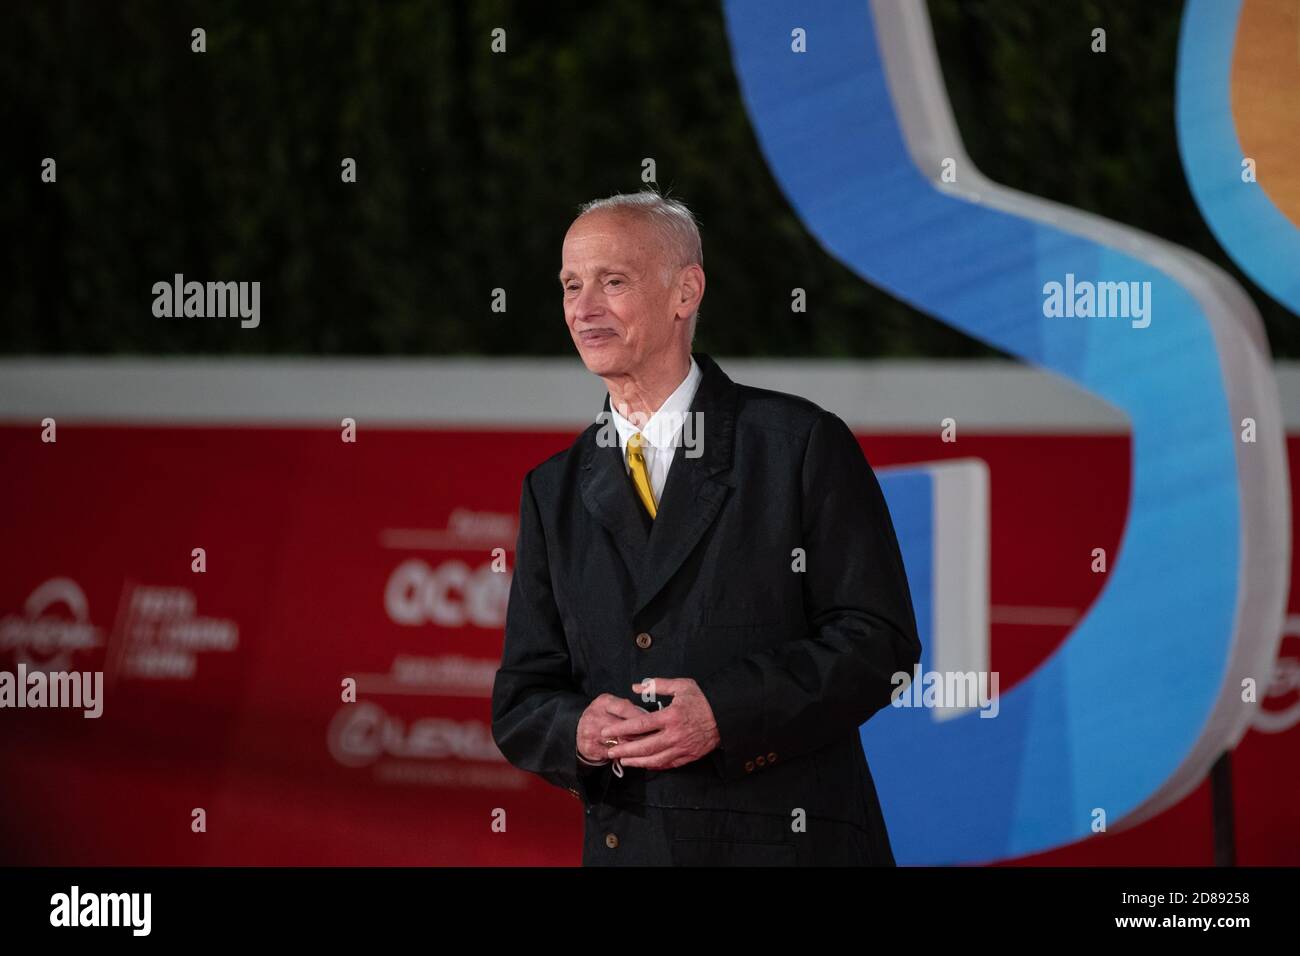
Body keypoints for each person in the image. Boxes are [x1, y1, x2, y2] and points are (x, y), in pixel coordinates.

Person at [491, 190, 921, 865]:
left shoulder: (798, 444)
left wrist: (727, 710)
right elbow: (522, 698)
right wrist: (578, 729)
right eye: (572, 285)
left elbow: (879, 642)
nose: (584, 307)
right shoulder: (553, 489)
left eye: (613, 281)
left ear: (685, 292)